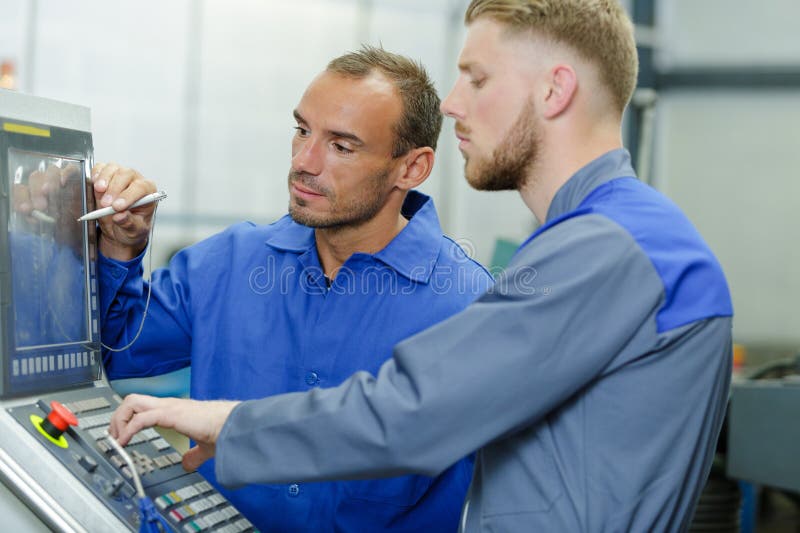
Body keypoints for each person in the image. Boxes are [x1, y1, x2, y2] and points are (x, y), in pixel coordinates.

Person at [110, 1, 735, 531]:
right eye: (302, 132)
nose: (455, 103)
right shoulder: (618, 239)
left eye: (478, 79)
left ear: (555, 90)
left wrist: (230, 422)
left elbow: (412, 413)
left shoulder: (608, 248)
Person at [96, 46, 493, 532]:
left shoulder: (468, 305)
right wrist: (120, 244)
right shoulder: (228, 263)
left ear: (411, 168)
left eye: (341, 146)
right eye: (302, 130)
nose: (304, 161)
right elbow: (114, 351)